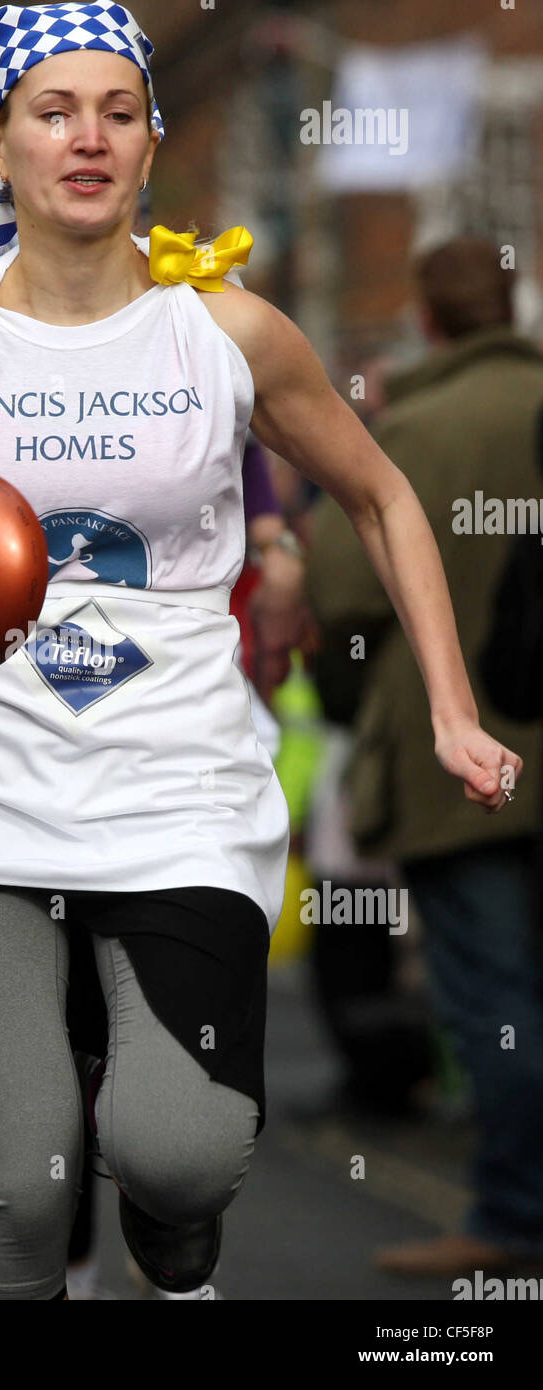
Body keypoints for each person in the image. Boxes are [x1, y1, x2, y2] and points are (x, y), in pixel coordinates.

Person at [0, 2, 522, 1301]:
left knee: (178, 1150)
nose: (87, 138)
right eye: (54, 113)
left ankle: (175, 1240)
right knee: (26, 1177)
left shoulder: (226, 331)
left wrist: (451, 709)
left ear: (152, 144)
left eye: (118, 111)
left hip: (177, 791)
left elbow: (382, 496)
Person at [306, 235, 543, 1275]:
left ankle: (509, 1215)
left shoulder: (414, 429)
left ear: (432, 322)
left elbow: (343, 590)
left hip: (466, 760)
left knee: (496, 1000)